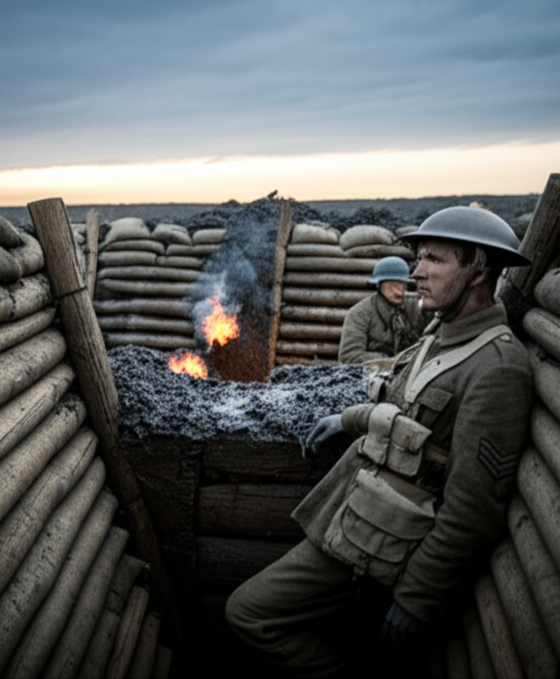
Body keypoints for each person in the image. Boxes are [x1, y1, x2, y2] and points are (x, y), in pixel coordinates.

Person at [225, 206, 534, 677]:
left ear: (479, 271)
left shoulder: (497, 368)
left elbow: (473, 509)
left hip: (390, 541)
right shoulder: (439, 335)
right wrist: (348, 418)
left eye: (435, 259)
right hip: (359, 512)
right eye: (419, 256)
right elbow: (400, 410)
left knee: (249, 614)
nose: (418, 271)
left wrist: (416, 599)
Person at [337, 256, 427, 364]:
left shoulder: (415, 306)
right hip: (372, 374)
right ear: (380, 286)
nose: (399, 292)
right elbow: (349, 355)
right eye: (392, 286)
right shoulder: (360, 313)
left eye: (402, 285)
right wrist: (391, 362)